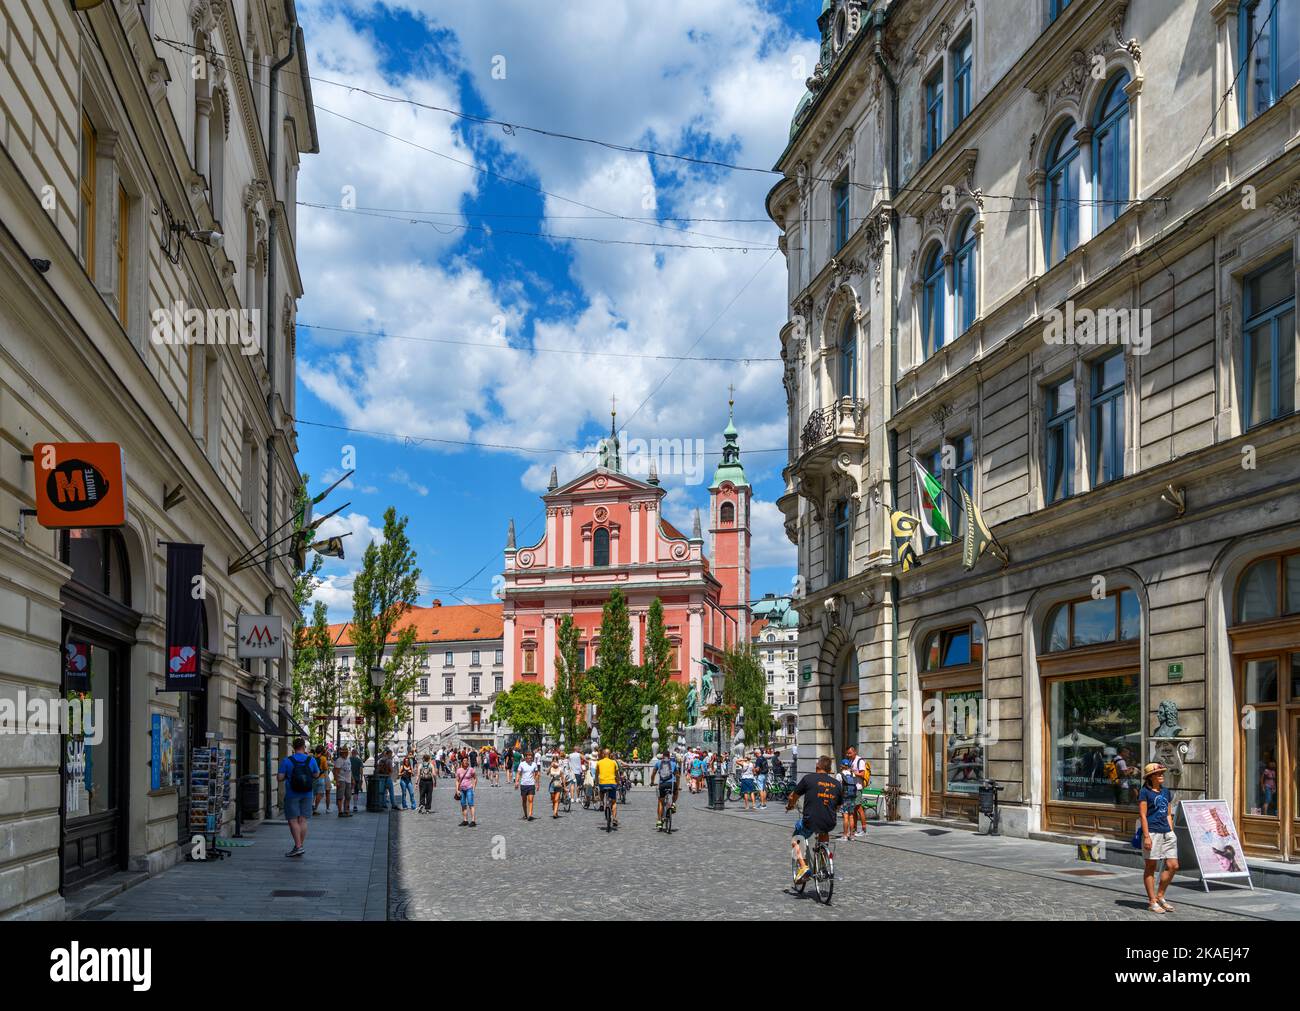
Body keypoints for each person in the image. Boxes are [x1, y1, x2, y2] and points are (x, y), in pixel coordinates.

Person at [786, 756, 843, 884]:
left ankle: (803, 867)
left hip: (810, 820)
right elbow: (838, 806)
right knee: (824, 832)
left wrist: (790, 805)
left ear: (817, 767)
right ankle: (822, 865)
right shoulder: (837, 784)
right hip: (830, 822)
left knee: (796, 838)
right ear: (829, 769)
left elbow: (793, 796)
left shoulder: (808, 779)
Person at [1138, 762, 1179, 913]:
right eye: (1158, 773)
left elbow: (1168, 813)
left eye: (1162, 773)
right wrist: (1147, 836)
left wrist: (1171, 831)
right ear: (1150, 777)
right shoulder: (1145, 792)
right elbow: (1143, 815)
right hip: (1152, 832)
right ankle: (1152, 901)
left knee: (1173, 865)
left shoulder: (1166, 792)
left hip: (1167, 832)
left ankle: (1160, 895)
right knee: (1151, 867)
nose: (1161, 775)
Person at [277, 738, 319, 857]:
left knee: (293, 820)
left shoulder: (287, 760)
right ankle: (299, 845)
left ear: (293, 747)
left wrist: (288, 776)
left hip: (292, 794)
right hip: (307, 793)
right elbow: (316, 774)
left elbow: (280, 778)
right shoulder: (311, 760)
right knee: (303, 820)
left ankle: (298, 846)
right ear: (304, 747)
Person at [650, 748, 679, 830]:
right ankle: (673, 804)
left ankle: (659, 821)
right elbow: (677, 775)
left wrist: (652, 782)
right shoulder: (673, 763)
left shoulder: (658, 763)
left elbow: (653, 774)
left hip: (662, 784)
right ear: (669, 756)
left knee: (660, 801)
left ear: (662, 756)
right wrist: (678, 785)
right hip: (671, 784)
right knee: (676, 792)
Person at [595, 747, 620, 828]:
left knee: (601, 790)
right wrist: (618, 782)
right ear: (610, 755)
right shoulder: (613, 762)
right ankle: (615, 818)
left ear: (603, 754)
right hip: (612, 783)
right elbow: (617, 774)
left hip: (602, 783)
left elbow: (596, 774)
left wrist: (596, 782)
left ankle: (602, 802)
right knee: (613, 802)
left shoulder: (599, 762)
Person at [837, 759, 859, 840]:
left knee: (845, 816)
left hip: (844, 797)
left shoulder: (840, 775)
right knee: (851, 816)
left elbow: (838, 788)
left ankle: (845, 835)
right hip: (852, 796)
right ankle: (852, 835)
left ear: (842, 766)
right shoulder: (852, 774)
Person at [455, 756, 478, 827]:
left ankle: (473, 820)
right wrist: (457, 790)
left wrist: (474, 787)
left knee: (471, 804)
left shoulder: (471, 769)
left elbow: (475, 778)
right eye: (464, 760)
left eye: (466, 760)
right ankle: (465, 820)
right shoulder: (459, 770)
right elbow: (457, 780)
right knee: (463, 804)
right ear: (462, 762)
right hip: (461, 790)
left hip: (469, 788)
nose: (465, 762)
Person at [517, 749, 540, 821]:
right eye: (528, 757)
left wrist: (537, 783)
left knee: (530, 800)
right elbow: (518, 773)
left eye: (531, 757)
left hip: (531, 784)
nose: (530, 759)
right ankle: (525, 814)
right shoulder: (522, 764)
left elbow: (536, 774)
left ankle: (530, 814)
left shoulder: (534, 764)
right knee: (524, 800)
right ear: (525, 757)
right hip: (523, 784)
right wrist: (517, 782)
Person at [333, 746, 353, 817]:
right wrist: (337, 781)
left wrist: (352, 779)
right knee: (340, 796)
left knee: (348, 796)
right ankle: (340, 811)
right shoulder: (339, 760)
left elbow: (350, 770)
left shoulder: (348, 759)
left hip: (348, 780)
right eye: (344, 752)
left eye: (346, 752)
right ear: (341, 753)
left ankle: (346, 811)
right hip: (341, 780)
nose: (346, 753)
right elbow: (335, 772)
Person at [312, 745, 331, 815]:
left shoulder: (313, 758)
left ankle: (312, 805)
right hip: (321, 777)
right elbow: (325, 768)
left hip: (314, 778)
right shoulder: (323, 758)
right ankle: (315, 809)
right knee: (320, 794)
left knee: (313, 793)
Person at [547, 754, 566, 818]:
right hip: (552, 784)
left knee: (556, 799)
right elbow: (547, 773)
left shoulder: (560, 768)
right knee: (553, 798)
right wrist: (550, 766)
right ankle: (554, 806)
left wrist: (565, 787)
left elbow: (563, 778)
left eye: (556, 761)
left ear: (558, 762)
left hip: (558, 784)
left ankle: (555, 813)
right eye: (554, 761)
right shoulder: (551, 768)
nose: (555, 762)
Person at [350, 748, 364, 812]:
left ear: (351, 753)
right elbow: (361, 770)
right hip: (356, 778)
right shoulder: (359, 760)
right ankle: (355, 806)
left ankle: (346, 805)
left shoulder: (348, 760)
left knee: (348, 792)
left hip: (349, 778)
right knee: (356, 792)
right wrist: (361, 778)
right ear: (356, 753)